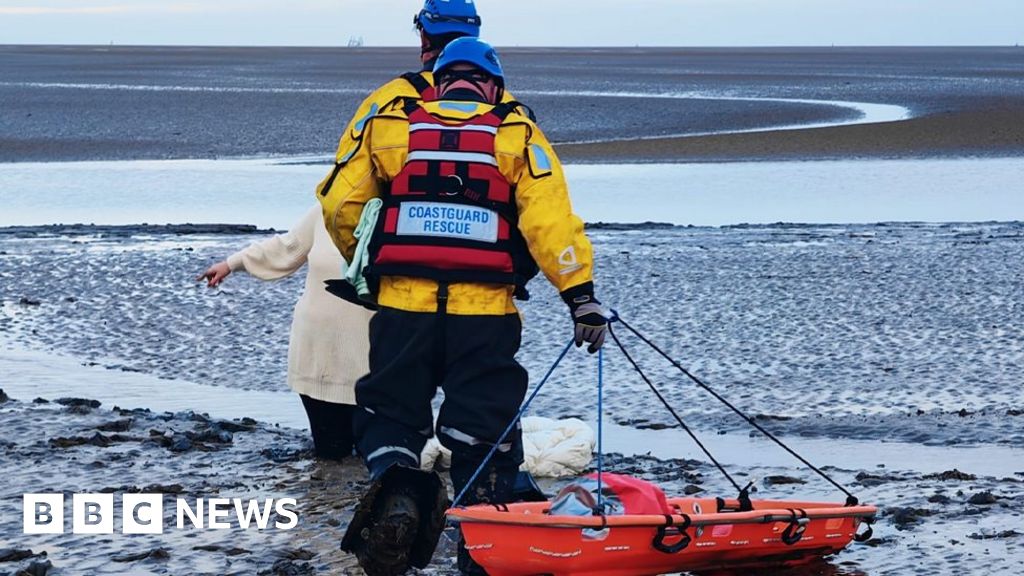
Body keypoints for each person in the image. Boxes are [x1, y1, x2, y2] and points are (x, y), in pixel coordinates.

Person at [318, 38, 611, 576]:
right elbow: (550, 223)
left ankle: (399, 494)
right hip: (485, 314)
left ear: (439, 81)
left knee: (391, 414)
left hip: (403, 309)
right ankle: (483, 551)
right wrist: (581, 297)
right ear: (493, 86)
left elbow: (341, 203)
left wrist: (365, 263)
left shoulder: (392, 126)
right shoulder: (516, 133)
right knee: (485, 433)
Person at [196, 205, 373, 460]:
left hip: (375, 366)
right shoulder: (329, 209)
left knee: (375, 462)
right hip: (317, 356)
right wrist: (232, 263)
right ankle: (326, 500)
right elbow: (286, 248)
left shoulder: (400, 214)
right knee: (330, 458)